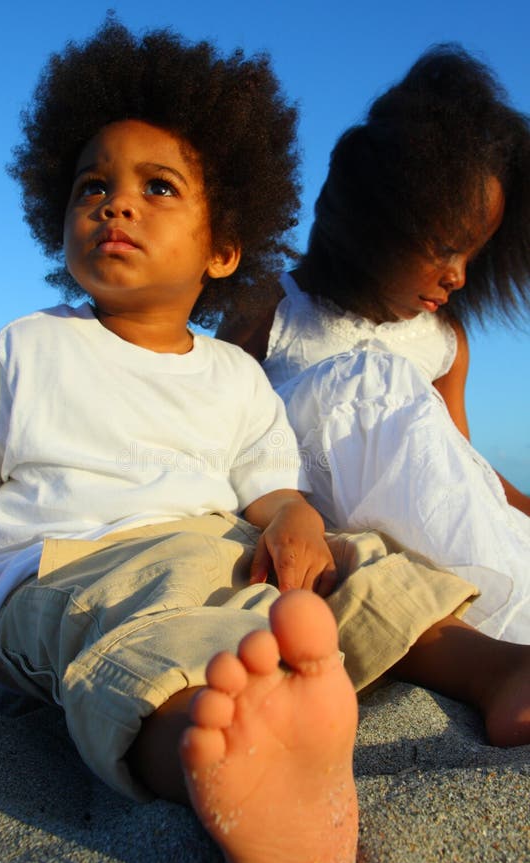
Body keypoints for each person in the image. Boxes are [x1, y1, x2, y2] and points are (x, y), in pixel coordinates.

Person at [0, 25, 527, 863]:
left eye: (156, 187)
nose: (115, 205)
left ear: (221, 248)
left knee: (366, 570)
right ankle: (230, 774)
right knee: (144, 657)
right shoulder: (25, 348)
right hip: (67, 567)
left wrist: (294, 522)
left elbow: (269, 482)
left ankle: (496, 667)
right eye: (92, 186)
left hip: (207, 541)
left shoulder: (230, 375)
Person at [219, 44, 530, 646]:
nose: (459, 276)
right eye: (443, 247)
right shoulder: (276, 309)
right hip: (309, 539)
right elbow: (210, 411)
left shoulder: (443, 343)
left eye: (473, 254)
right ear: (375, 222)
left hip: (429, 544)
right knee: (368, 376)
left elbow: (453, 466)